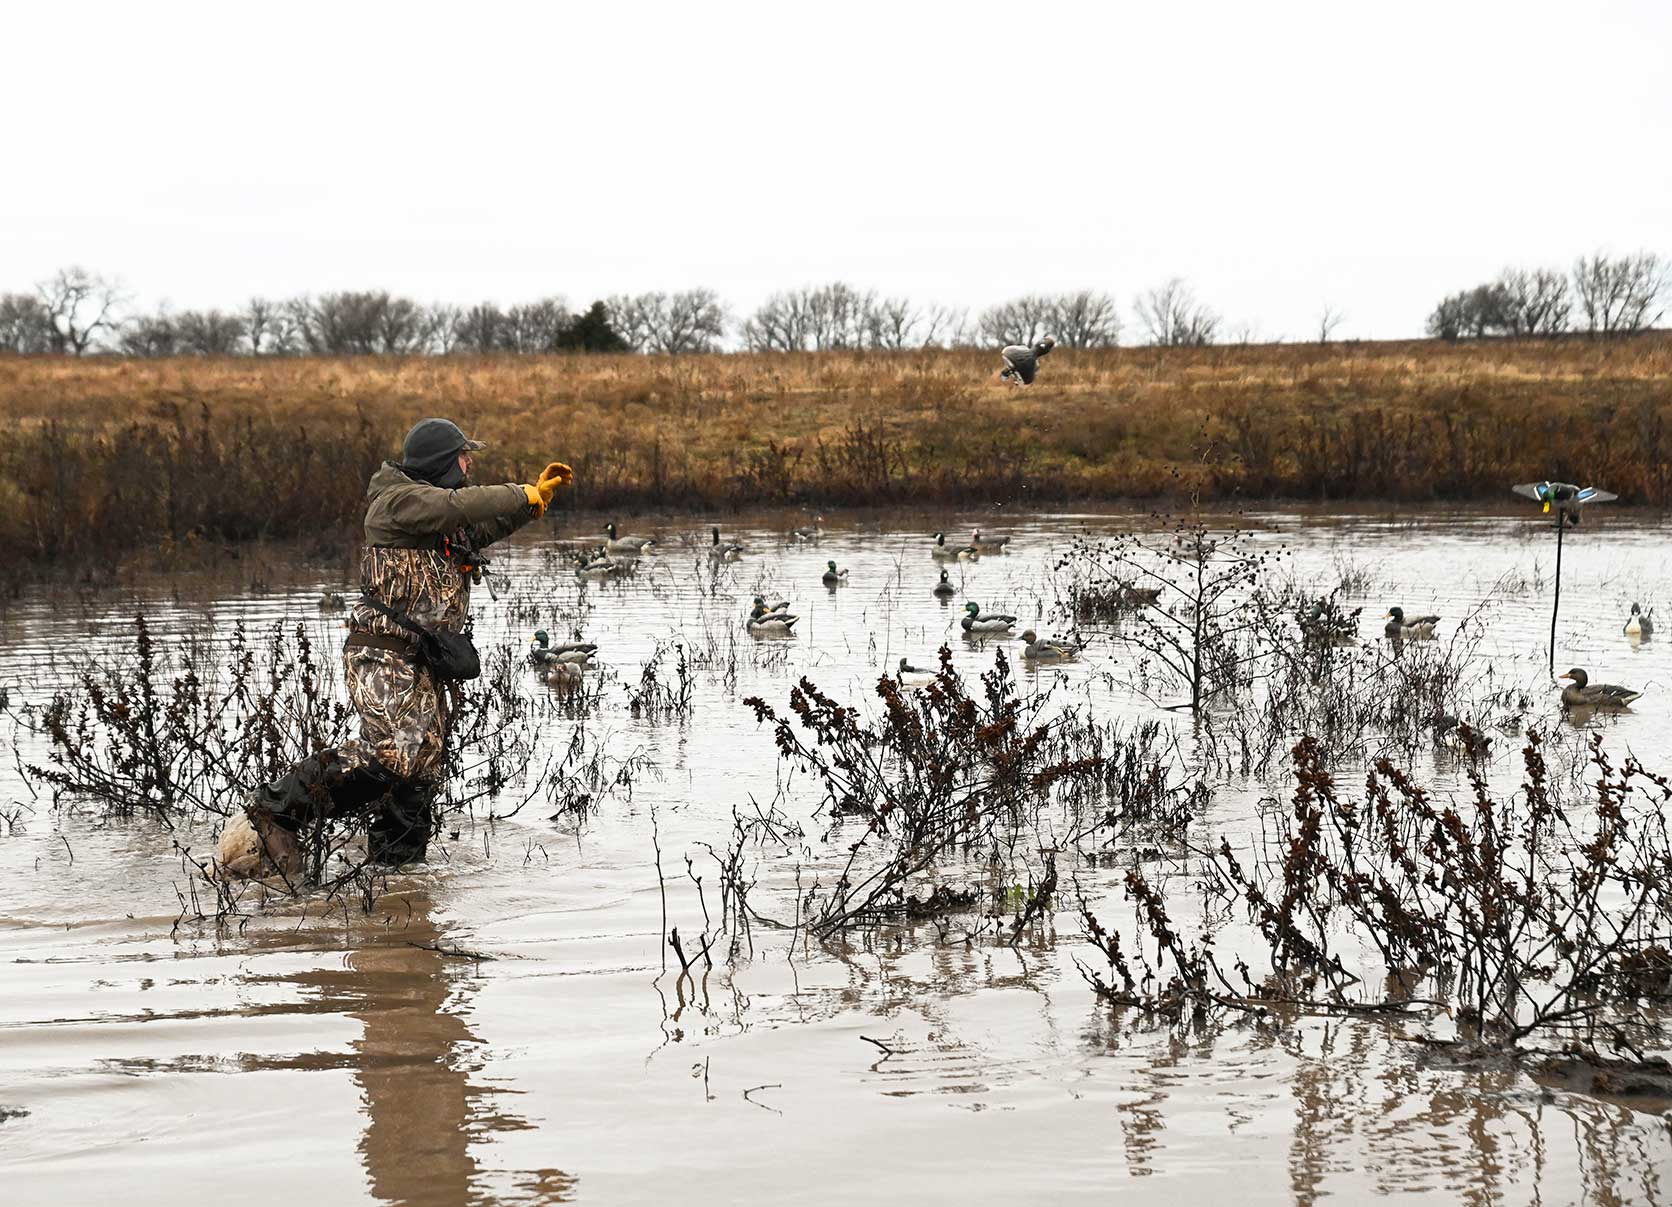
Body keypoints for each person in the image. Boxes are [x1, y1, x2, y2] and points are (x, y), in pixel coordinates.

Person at [217, 418, 572, 878]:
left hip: (421, 659)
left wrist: (533, 504)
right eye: (463, 456)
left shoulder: (438, 522)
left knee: (423, 762)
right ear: (441, 462)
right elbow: (457, 505)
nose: (468, 463)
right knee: (394, 752)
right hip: (381, 652)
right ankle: (274, 810)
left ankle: (397, 873)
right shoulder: (398, 503)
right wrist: (520, 490)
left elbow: (477, 527)